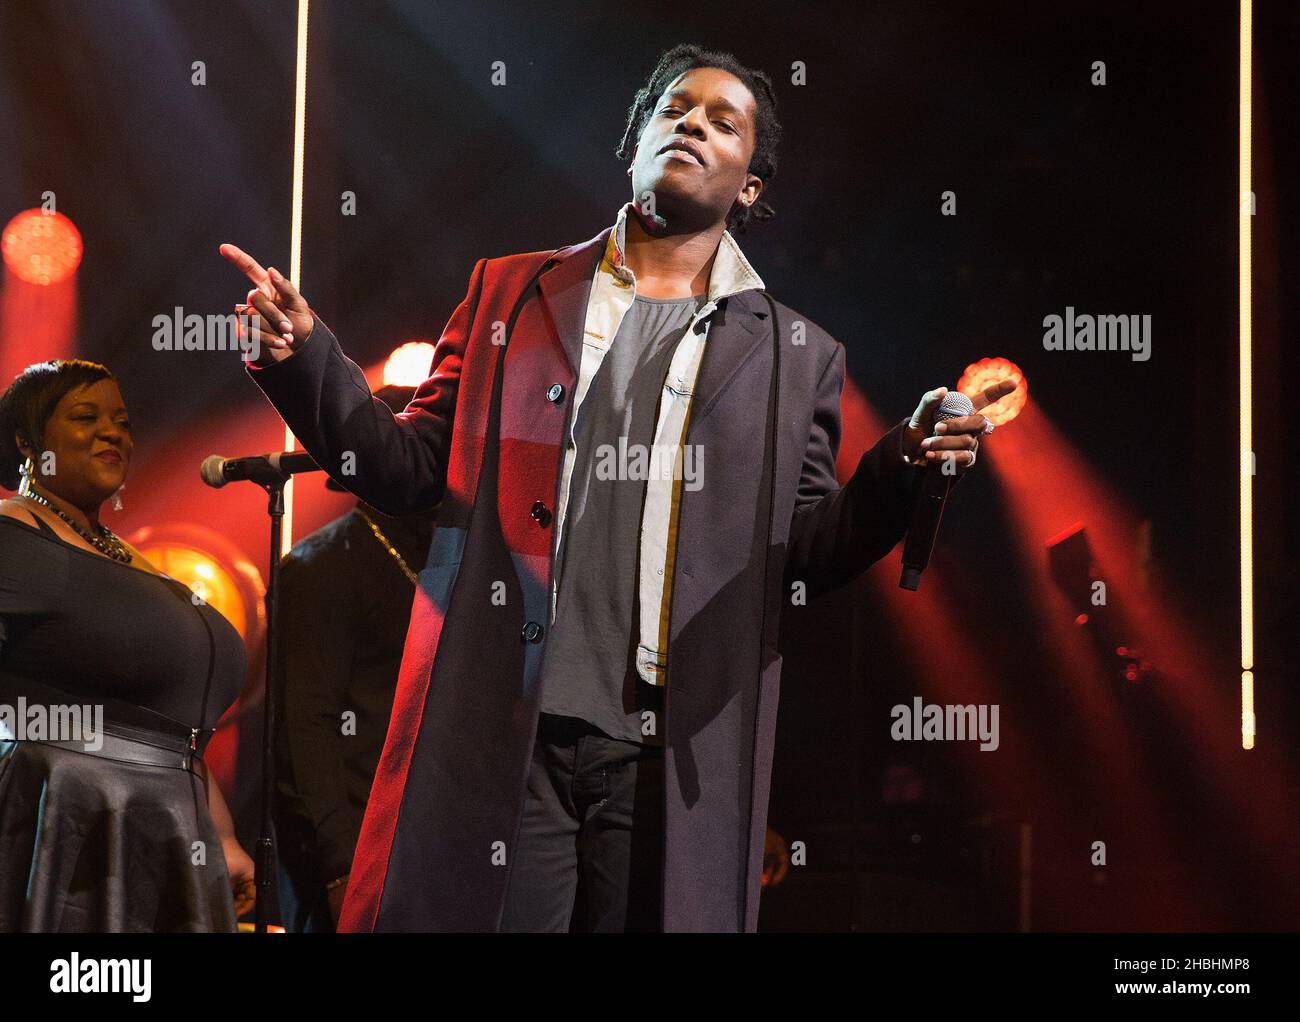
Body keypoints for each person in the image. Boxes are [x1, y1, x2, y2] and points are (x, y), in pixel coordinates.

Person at [221, 43, 1012, 932]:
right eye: (674, 111)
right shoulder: (510, 293)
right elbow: (406, 467)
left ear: (750, 185)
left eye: (724, 122)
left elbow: (807, 554)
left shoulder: (796, 356)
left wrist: (903, 457)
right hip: (511, 732)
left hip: (666, 749)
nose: (693, 128)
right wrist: (305, 361)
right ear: (634, 140)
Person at [0, 359, 252, 931]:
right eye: (86, 417)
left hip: (169, 819)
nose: (113, 432)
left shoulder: (121, 554)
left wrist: (223, 834)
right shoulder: (13, 535)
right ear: (26, 441)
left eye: (123, 421)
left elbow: (169, 723)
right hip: (73, 816)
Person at [274, 385, 434, 932]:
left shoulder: (449, 563)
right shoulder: (321, 567)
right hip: (356, 850)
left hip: (427, 843)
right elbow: (306, 728)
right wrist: (342, 869)